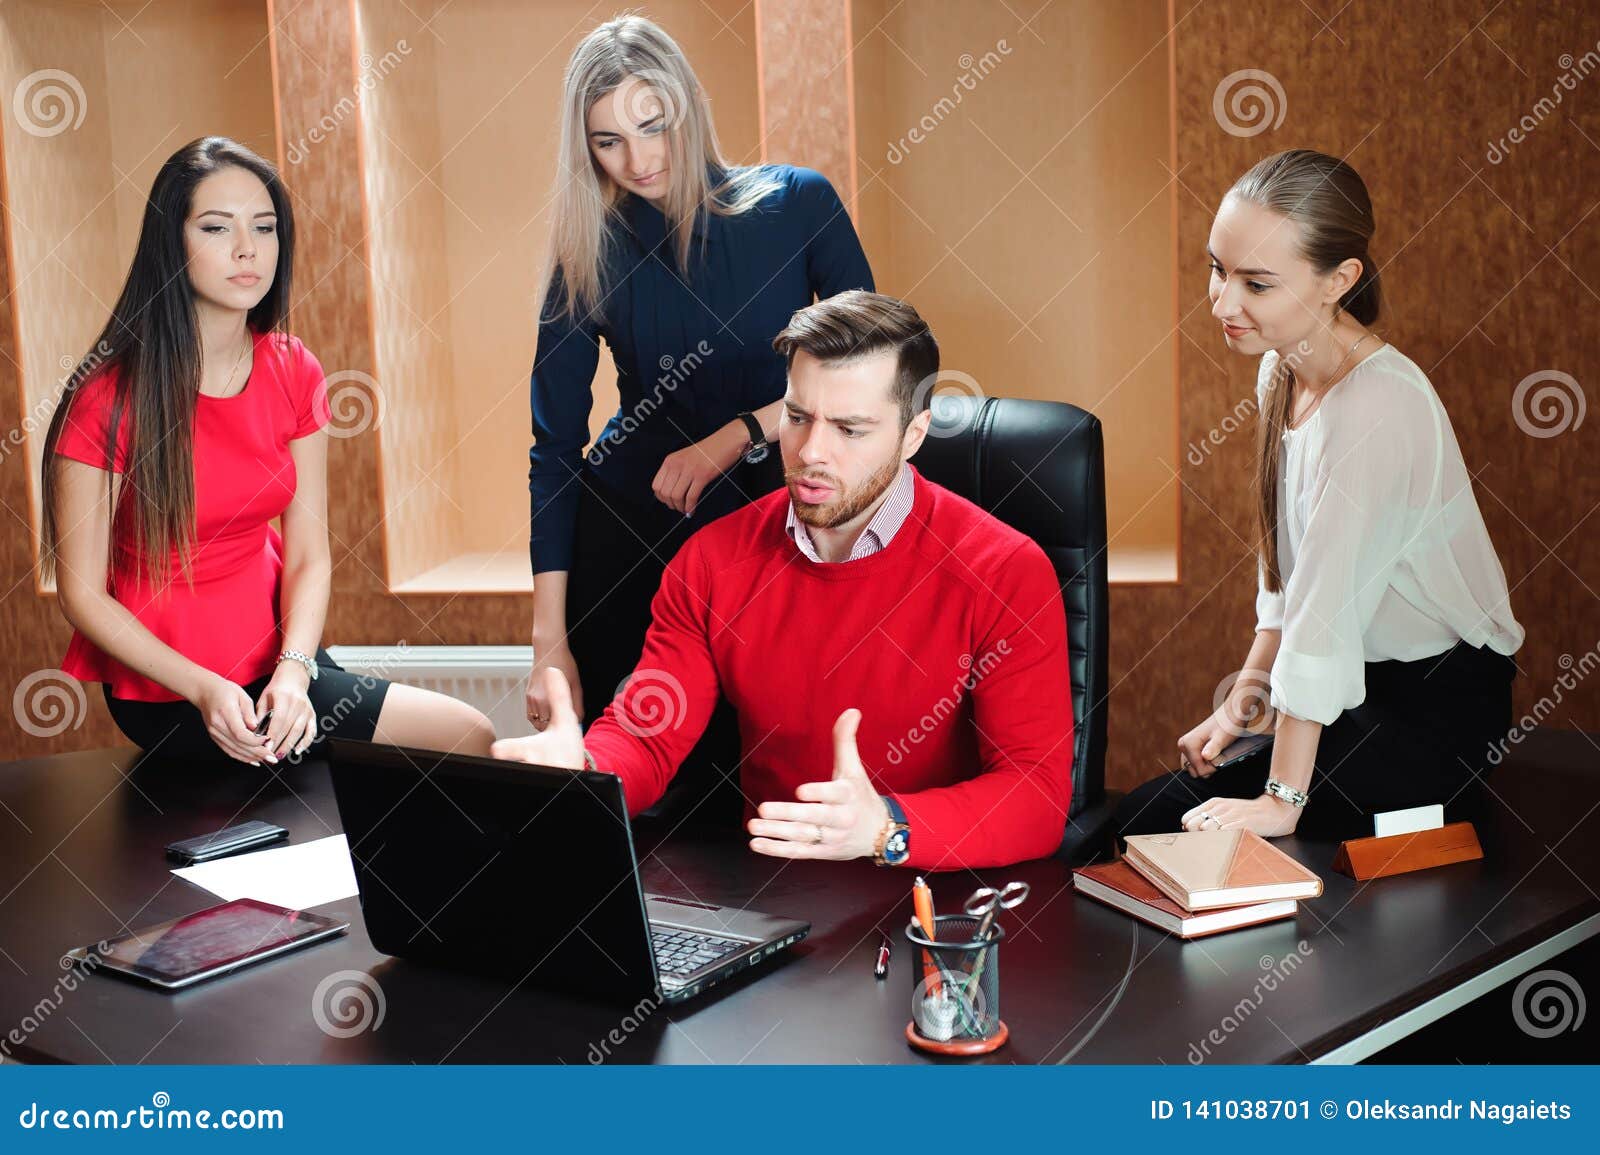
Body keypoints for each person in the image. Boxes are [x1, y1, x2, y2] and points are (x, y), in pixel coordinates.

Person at [496, 291, 1074, 870]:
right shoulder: (712, 561)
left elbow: (1036, 796)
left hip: (933, 894)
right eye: (797, 418)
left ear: (914, 434)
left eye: (850, 429)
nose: (811, 451)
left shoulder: (1005, 571)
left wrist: (886, 829)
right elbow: (648, 736)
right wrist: (586, 770)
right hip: (773, 889)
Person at [40, 137, 495, 766]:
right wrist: (205, 688)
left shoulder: (294, 368)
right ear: (170, 242)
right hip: (173, 687)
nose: (247, 248)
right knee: (340, 785)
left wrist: (295, 669)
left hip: (280, 661)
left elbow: (308, 554)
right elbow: (82, 596)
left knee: (470, 737)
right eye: (216, 227)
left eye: (264, 226)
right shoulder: (107, 397)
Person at [1115, 149, 1523, 842]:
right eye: (1218, 269)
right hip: (1355, 688)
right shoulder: (1281, 370)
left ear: (1340, 280)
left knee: (1167, 828)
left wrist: (1281, 800)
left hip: (1438, 710)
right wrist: (1243, 700)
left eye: (1256, 283)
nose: (1223, 302)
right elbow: (1290, 583)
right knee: (1139, 818)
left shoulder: (1376, 408)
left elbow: (1324, 613)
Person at [524, 14, 874, 789]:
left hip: (783, 530)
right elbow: (554, 451)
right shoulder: (588, 249)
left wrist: (738, 434)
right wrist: (549, 641)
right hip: (633, 542)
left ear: (686, 105)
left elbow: (871, 366)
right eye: (608, 141)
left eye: (653, 125)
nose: (638, 159)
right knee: (636, 797)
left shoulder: (798, 204)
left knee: (777, 791)